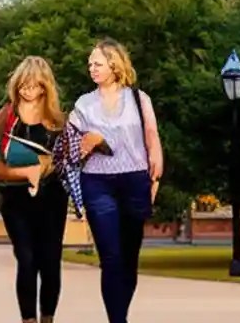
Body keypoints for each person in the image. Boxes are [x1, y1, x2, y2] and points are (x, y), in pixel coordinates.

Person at [69, 38, 164, 323]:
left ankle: (119, 316)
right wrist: (86, 141)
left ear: (114, 64)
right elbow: (69, 145)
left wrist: (156, 163)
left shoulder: (138, 98)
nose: (92, 69)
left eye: (97, 63)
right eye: (89, 64)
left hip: (135, 180)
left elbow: (151, 134)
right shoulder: (84, 103)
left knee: (129, 260)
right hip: (98, 182)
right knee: (110, 258)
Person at [0, 56, 67, 323]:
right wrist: (24, 172)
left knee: (50, 261)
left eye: (34, 85)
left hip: (52, 197)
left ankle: (47, 317)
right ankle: (27, 320)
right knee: (26, 258)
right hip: (16, 197)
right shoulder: (8, 115)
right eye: (23, 84)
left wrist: (50, 168)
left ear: (45, 87)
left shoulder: (58, 121)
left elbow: (66, 160)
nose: (28, 90)